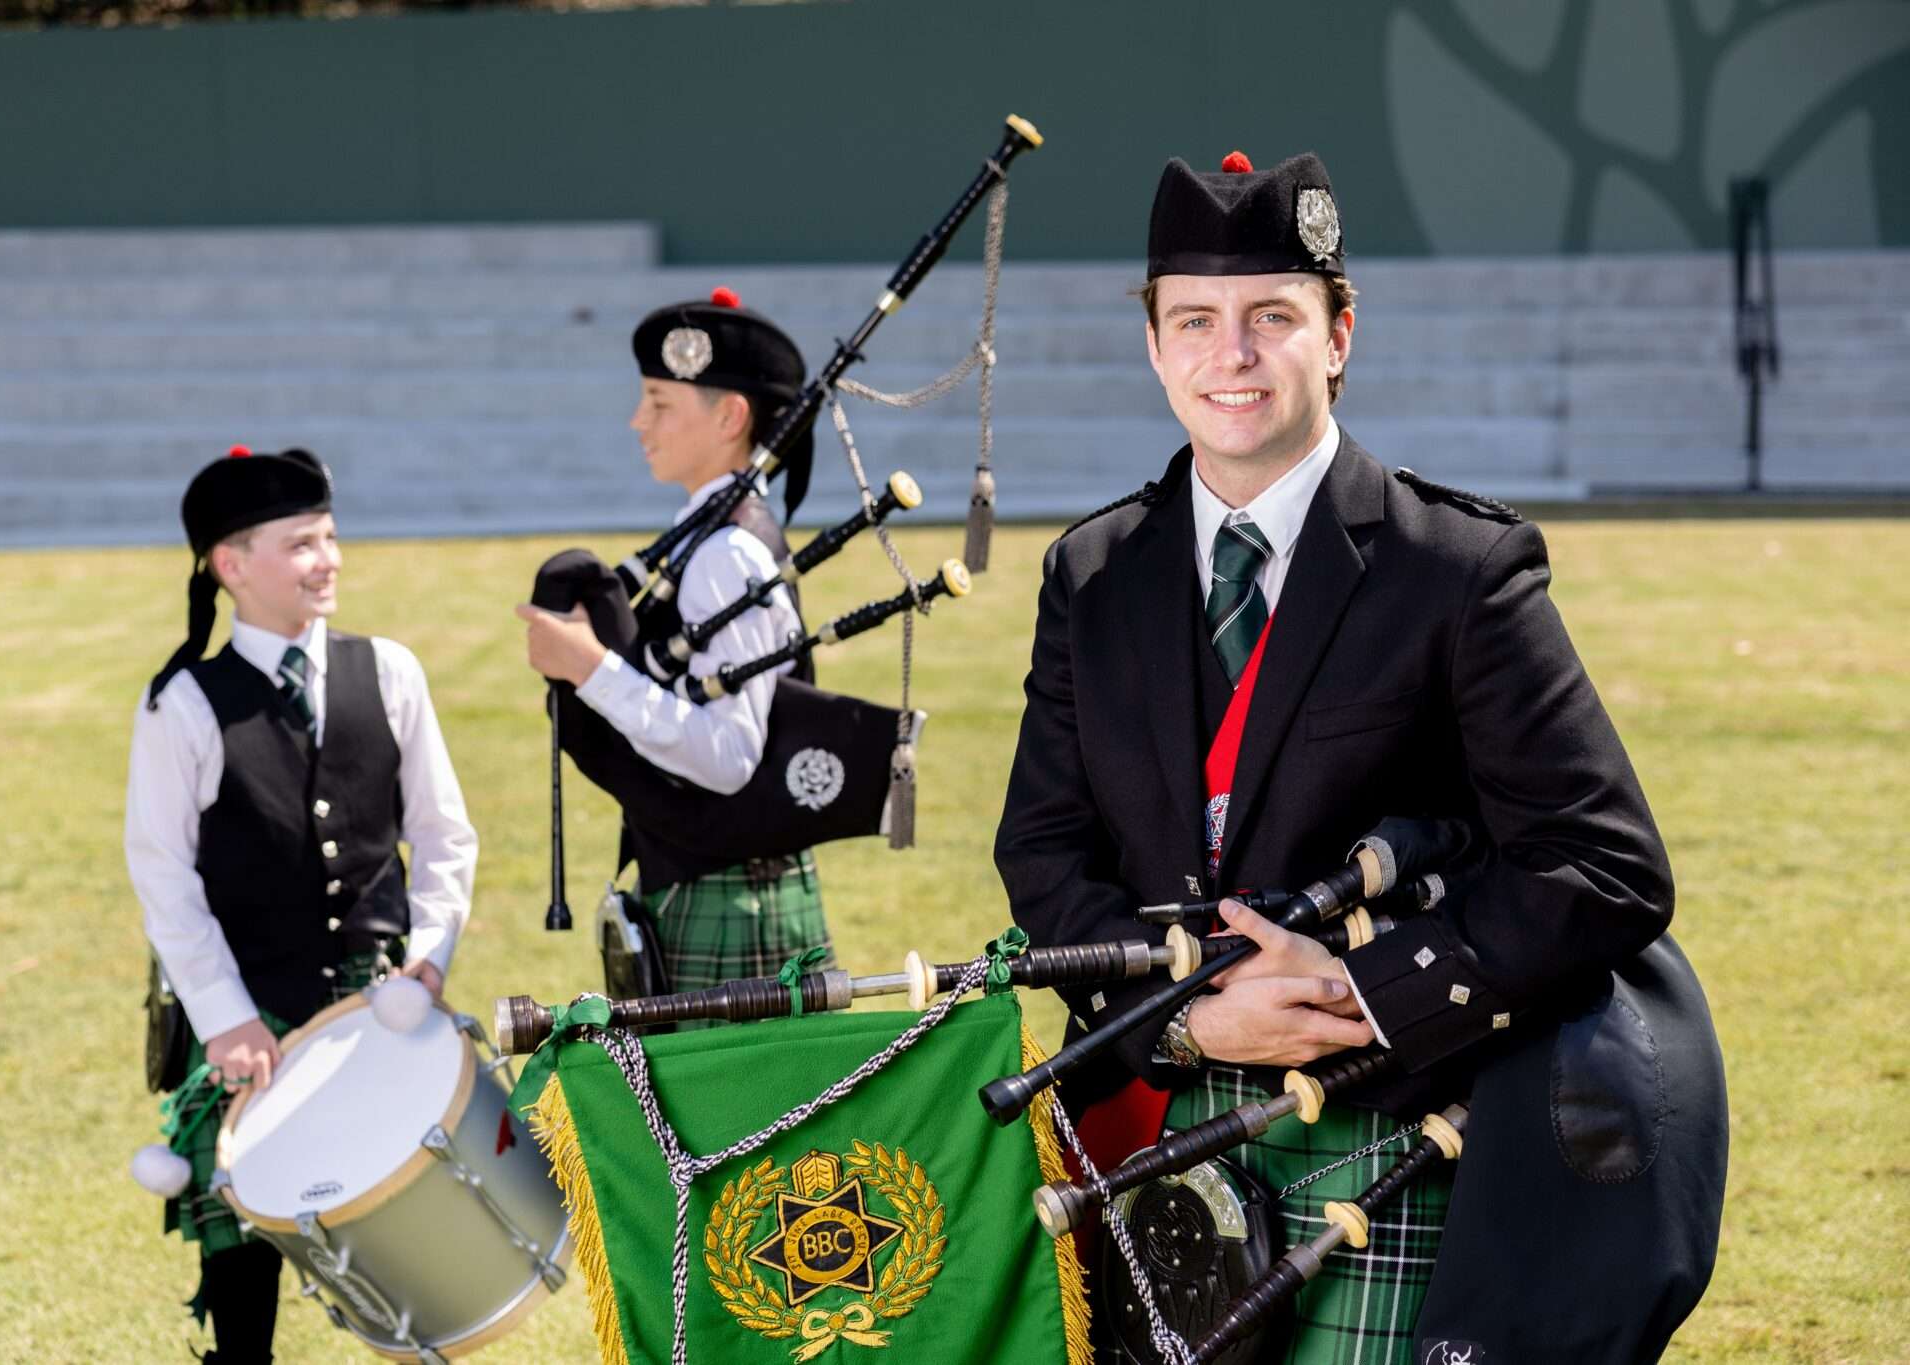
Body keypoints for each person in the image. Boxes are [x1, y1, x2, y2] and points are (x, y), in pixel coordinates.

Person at [993, 150, 1691, 1362]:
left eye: (1273, 317)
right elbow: (1044, 852)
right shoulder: (1092, 574)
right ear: (1153, 345)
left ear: (1338, 335)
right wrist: (1186, 1020)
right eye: (1194, 320)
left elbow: (1599, 867)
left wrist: (1360, 997)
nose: (1232, 354)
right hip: (1155, 1107)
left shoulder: (1456, 569)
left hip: (1380, 1129)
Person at [125, 445, 478, 1363]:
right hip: (253, 1002)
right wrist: (226, 1019)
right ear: (231, 564)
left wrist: (429, 956)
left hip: (379, 999)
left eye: (329, 537)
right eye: (301, 544)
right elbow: (163, 876)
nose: (328, 560)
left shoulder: (390, 671)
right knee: (242, 1226)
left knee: (416, 1217)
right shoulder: (183, 706)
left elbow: (444, 835)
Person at [517, 288, 834, 999]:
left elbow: (728, 757)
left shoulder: (726, 554)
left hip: (735, 901)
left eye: (660, 403)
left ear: (730, 416)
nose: (639, 421)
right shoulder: (712, 535)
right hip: (720, 887)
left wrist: (592, 669)